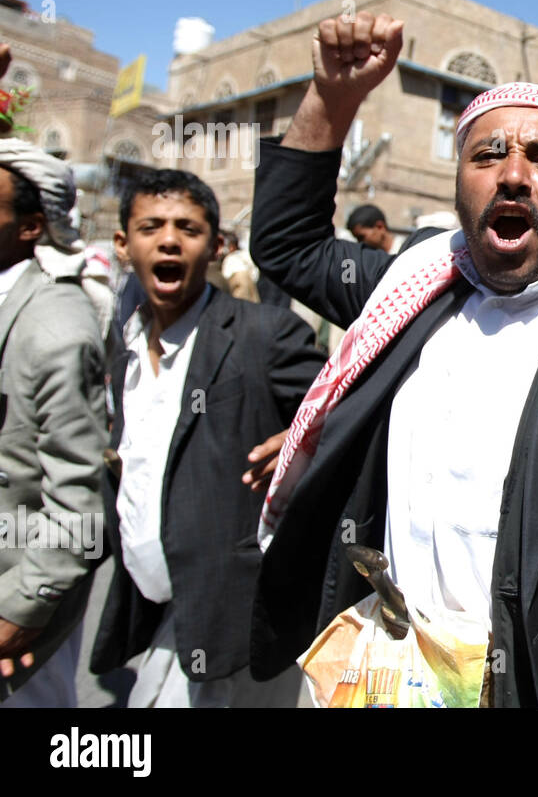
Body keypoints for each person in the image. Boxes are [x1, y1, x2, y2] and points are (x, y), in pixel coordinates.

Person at [248, 12, 538, 707]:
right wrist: (333, 98)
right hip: (381, 671)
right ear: (459, 183)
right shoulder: (409, 291)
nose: (514, 175)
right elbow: (285, 244)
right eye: (488, 155)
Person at [90, 169, 324, 707]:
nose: (169, 239)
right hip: (160, 608)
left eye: (187, 229)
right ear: (124, 244)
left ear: (216, 246)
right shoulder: (126, 342)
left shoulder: (263, 335)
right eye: (151, 227)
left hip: (233, 612)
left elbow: (347, 412)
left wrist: (306, 434)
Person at [0, 142, 107, 707]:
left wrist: (21, 608)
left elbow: (77, 501)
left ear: (30, 226)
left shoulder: (56, 327)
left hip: (19, 604)